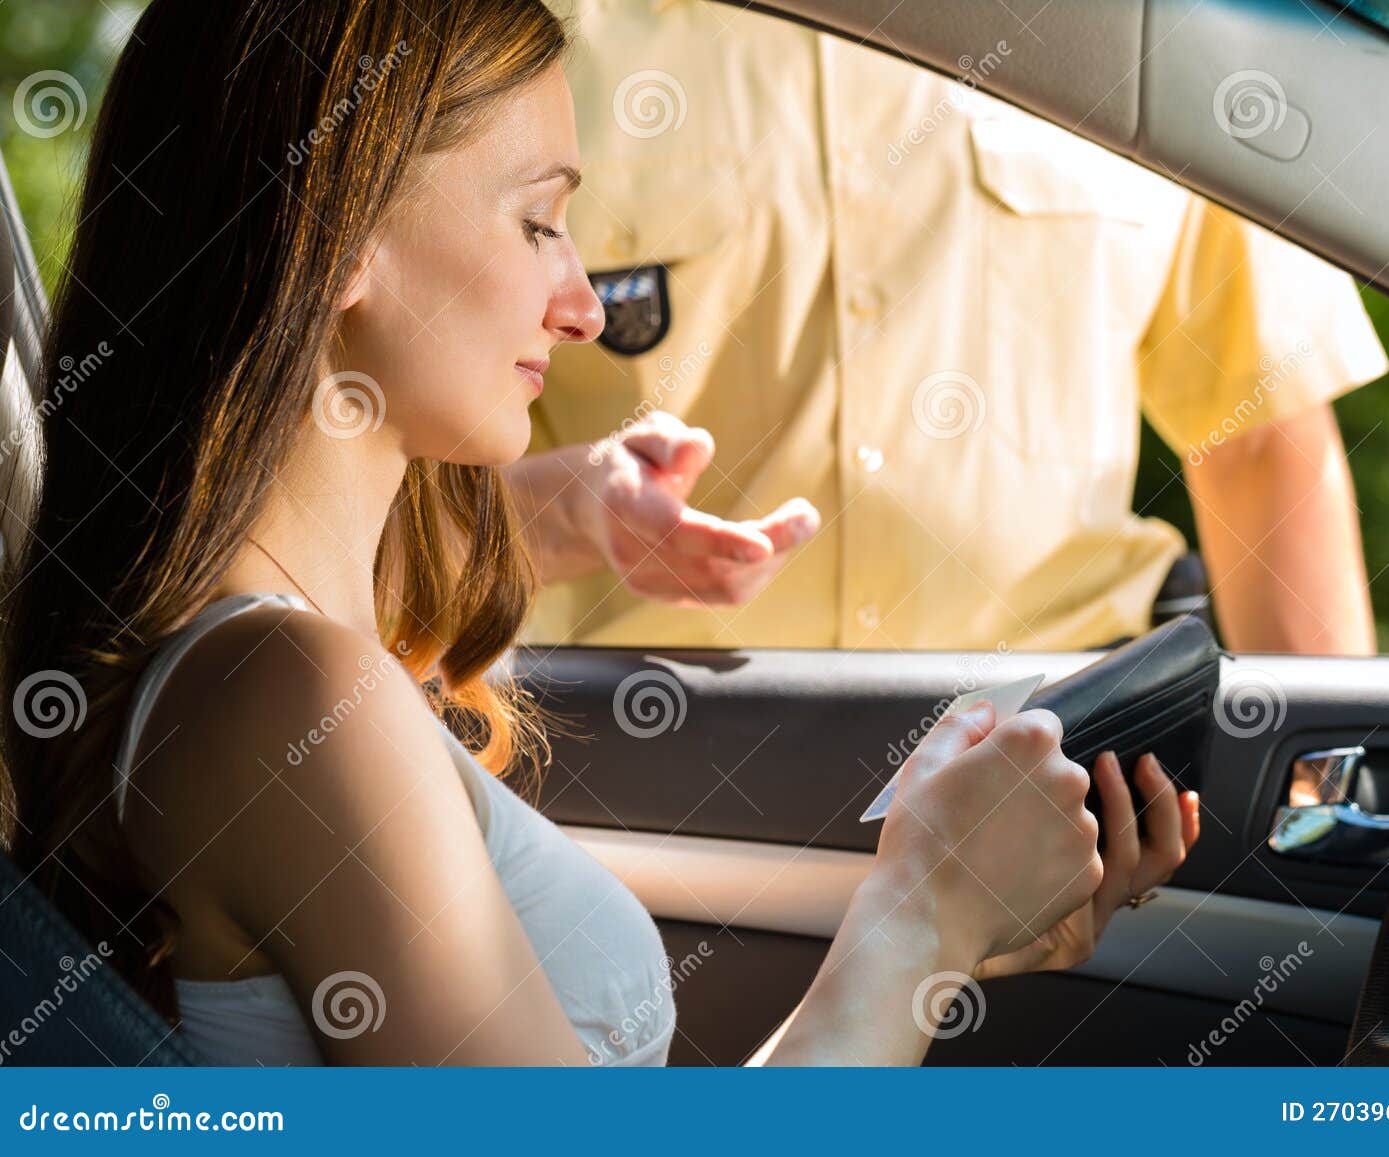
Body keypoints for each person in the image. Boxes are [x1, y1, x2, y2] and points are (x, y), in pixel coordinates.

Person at [0, 0, 1198, 1067]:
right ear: (340, 232)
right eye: (537, 224)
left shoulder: (295, 670)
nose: (580, 305)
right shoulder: (293, 697)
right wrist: (918, 921)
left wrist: (953, 928)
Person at [502, 0, 1389, 655]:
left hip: (1069, 784)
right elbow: (391, 488)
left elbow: (1261, 444)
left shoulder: (1152, 28)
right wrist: (574, 515)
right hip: (640, 800)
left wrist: (1323, 802)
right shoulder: (518, 40)